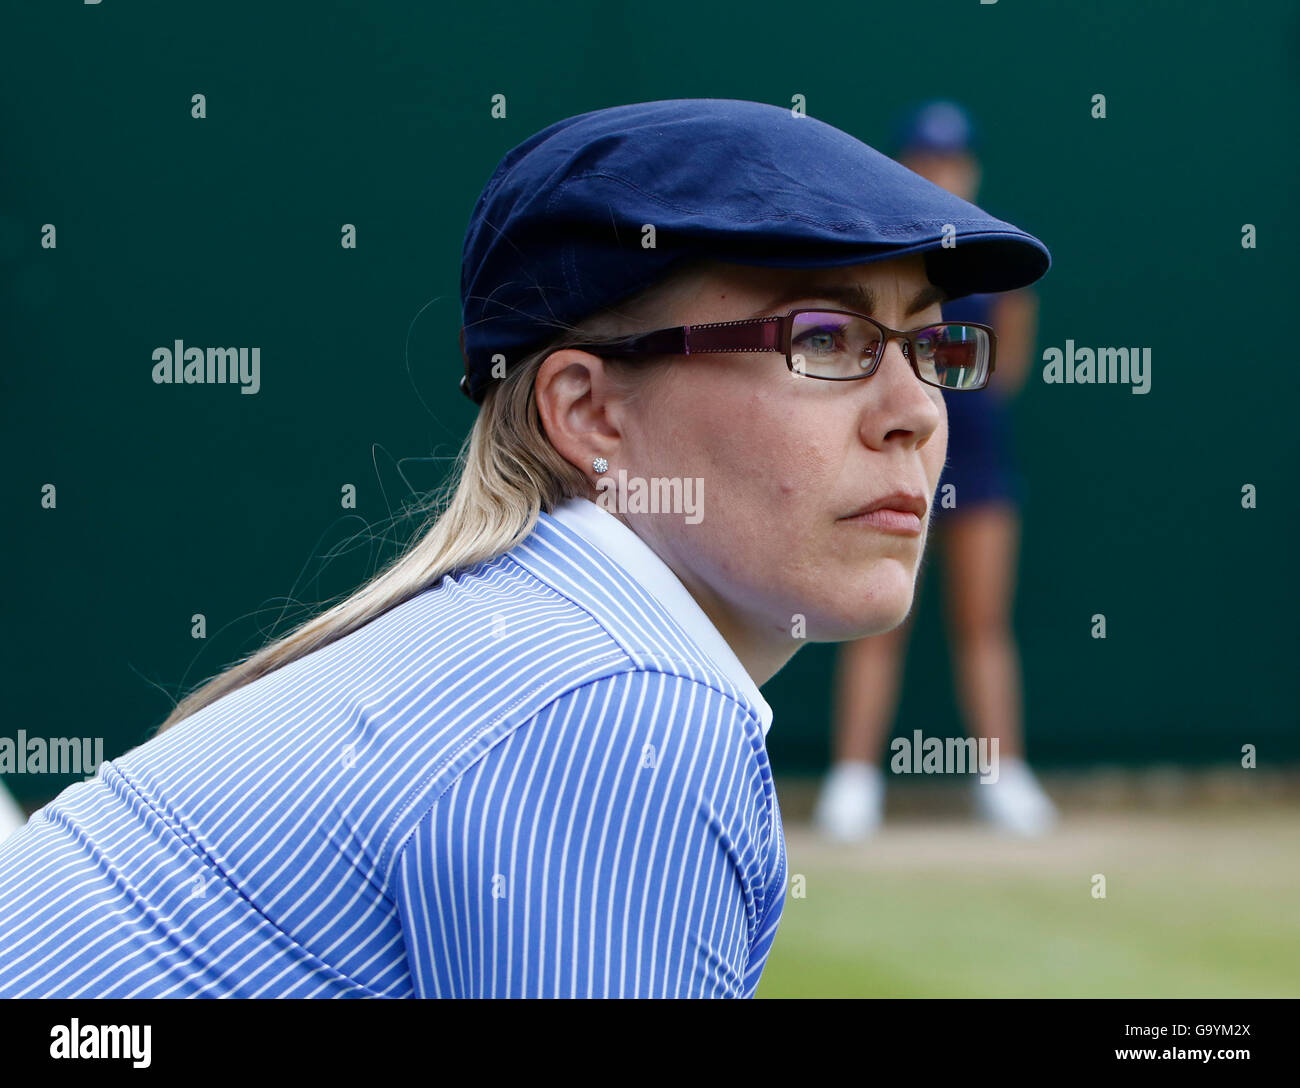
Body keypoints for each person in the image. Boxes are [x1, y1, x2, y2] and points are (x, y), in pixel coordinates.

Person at [0, 98, 1049, 997]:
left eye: (930, 343)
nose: (915, 408)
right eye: (824, 337)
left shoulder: (539, 646)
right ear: (588, 413)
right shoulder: (619, 703)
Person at [813, 100, 1058, 840]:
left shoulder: (1003, 266)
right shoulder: (882, 257)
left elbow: (1004, 370)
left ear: (971, 168)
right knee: (876, 620)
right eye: (926, 159)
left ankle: (1002, 778)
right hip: (894, 452)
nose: (940, 172)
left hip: (979, 463)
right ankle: (852, 783)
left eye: (952, 160)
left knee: (983, 622)